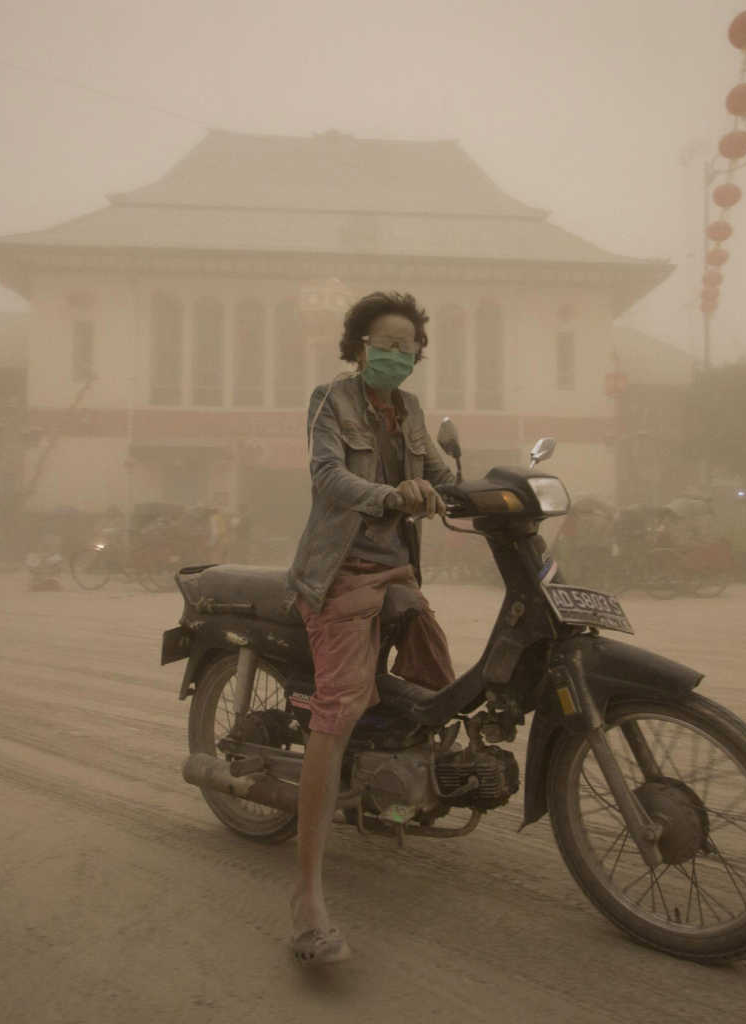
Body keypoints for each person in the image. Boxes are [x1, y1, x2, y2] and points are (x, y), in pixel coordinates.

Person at [284, 291, 458, 965]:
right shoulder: (331, 401)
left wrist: (490, 487)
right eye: (381, 342)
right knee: (341, 707)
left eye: (406, 344)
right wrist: (389, 495)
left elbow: (444, 476)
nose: (395, 352)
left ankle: (391, 792)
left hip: (395, 574)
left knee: (437, 681)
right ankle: (306, 897)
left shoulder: (412, 413)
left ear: (418, 353)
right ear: (358, 348)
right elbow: (328, 477)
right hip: (340, 575)